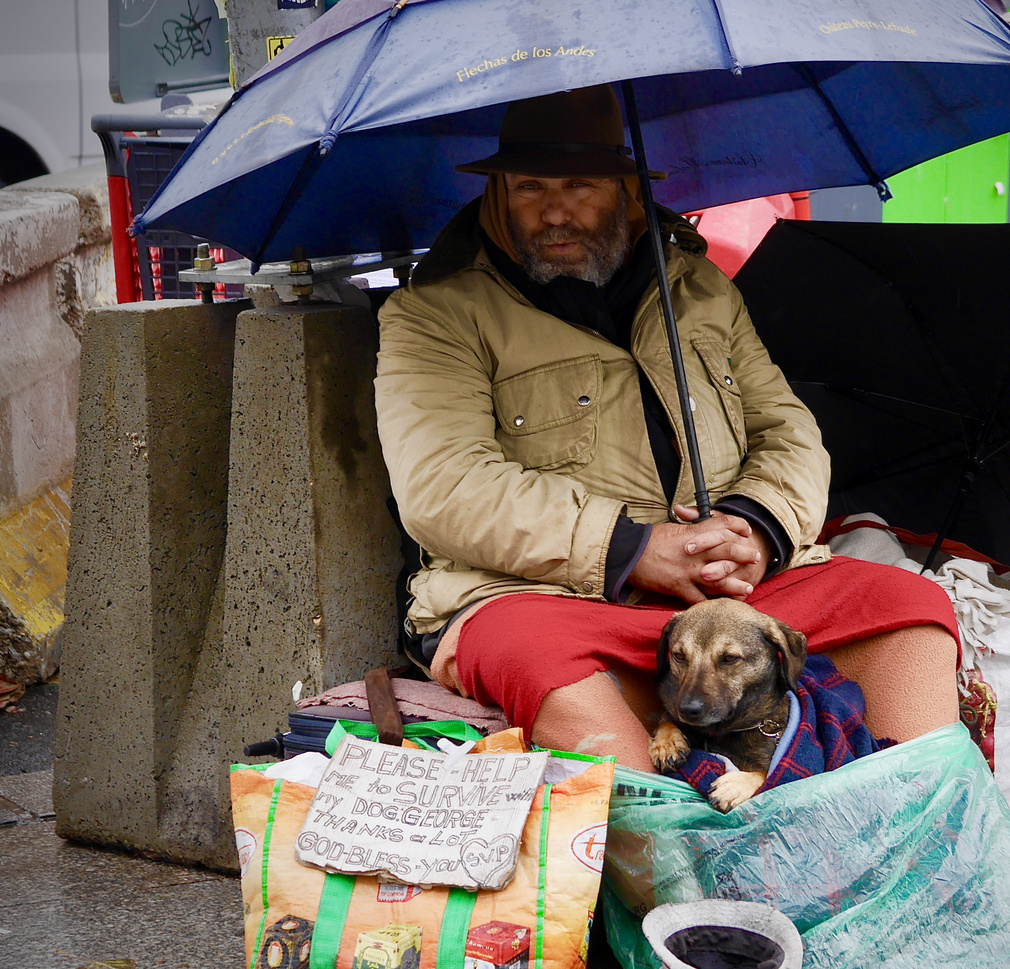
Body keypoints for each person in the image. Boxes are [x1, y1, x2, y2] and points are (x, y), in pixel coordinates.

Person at [375, 84, 961, 771]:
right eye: (529, 187)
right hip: (539, 596)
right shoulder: (436, 313)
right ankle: (677, 862)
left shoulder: (699, 287)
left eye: (581, 186)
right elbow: (444, 489)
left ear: (627, 190)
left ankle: (912, 835)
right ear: (499, 193)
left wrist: (757, 527)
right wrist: (628, 547)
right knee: (538, 661)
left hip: (727, 594)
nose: (554, 211)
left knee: (907, 604)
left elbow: (787, 429)